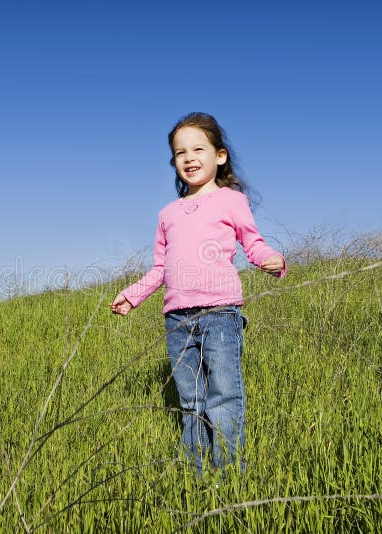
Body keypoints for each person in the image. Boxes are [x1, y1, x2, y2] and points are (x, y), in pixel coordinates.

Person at [110, 112, 287, 473]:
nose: (189, 158)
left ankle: (228, 474)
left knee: (223, 397)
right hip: (176, 318)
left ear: (219, 155)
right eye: (180, 153)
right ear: (173, 162)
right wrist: (133, 295)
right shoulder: (168, 214)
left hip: (220, 313)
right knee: (191, 400)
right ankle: (195, 473)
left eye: (198, 149)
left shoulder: (231, 200)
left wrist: (271, 259)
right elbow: (160, 268)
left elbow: (252, 242)